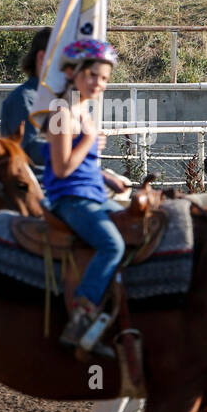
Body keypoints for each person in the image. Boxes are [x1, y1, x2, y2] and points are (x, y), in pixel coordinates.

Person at [43, 38, 130, 353]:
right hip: (71, 199)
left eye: (105, 78)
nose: (99, 83)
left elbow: (84, 165)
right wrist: (89, 139)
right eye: (93, 74)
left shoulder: (84, 114)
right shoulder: (61, 113)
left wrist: (107, 178)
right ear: (72, 72)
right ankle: (81, 317)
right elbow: (63, 168)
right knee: (112, 244)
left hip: (92, 192)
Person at [0, 28, 52, 168]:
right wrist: (73, 146)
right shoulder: (23, 99)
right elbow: (28, 150)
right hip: (35, 184)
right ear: (42, 58)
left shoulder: (63, 98)